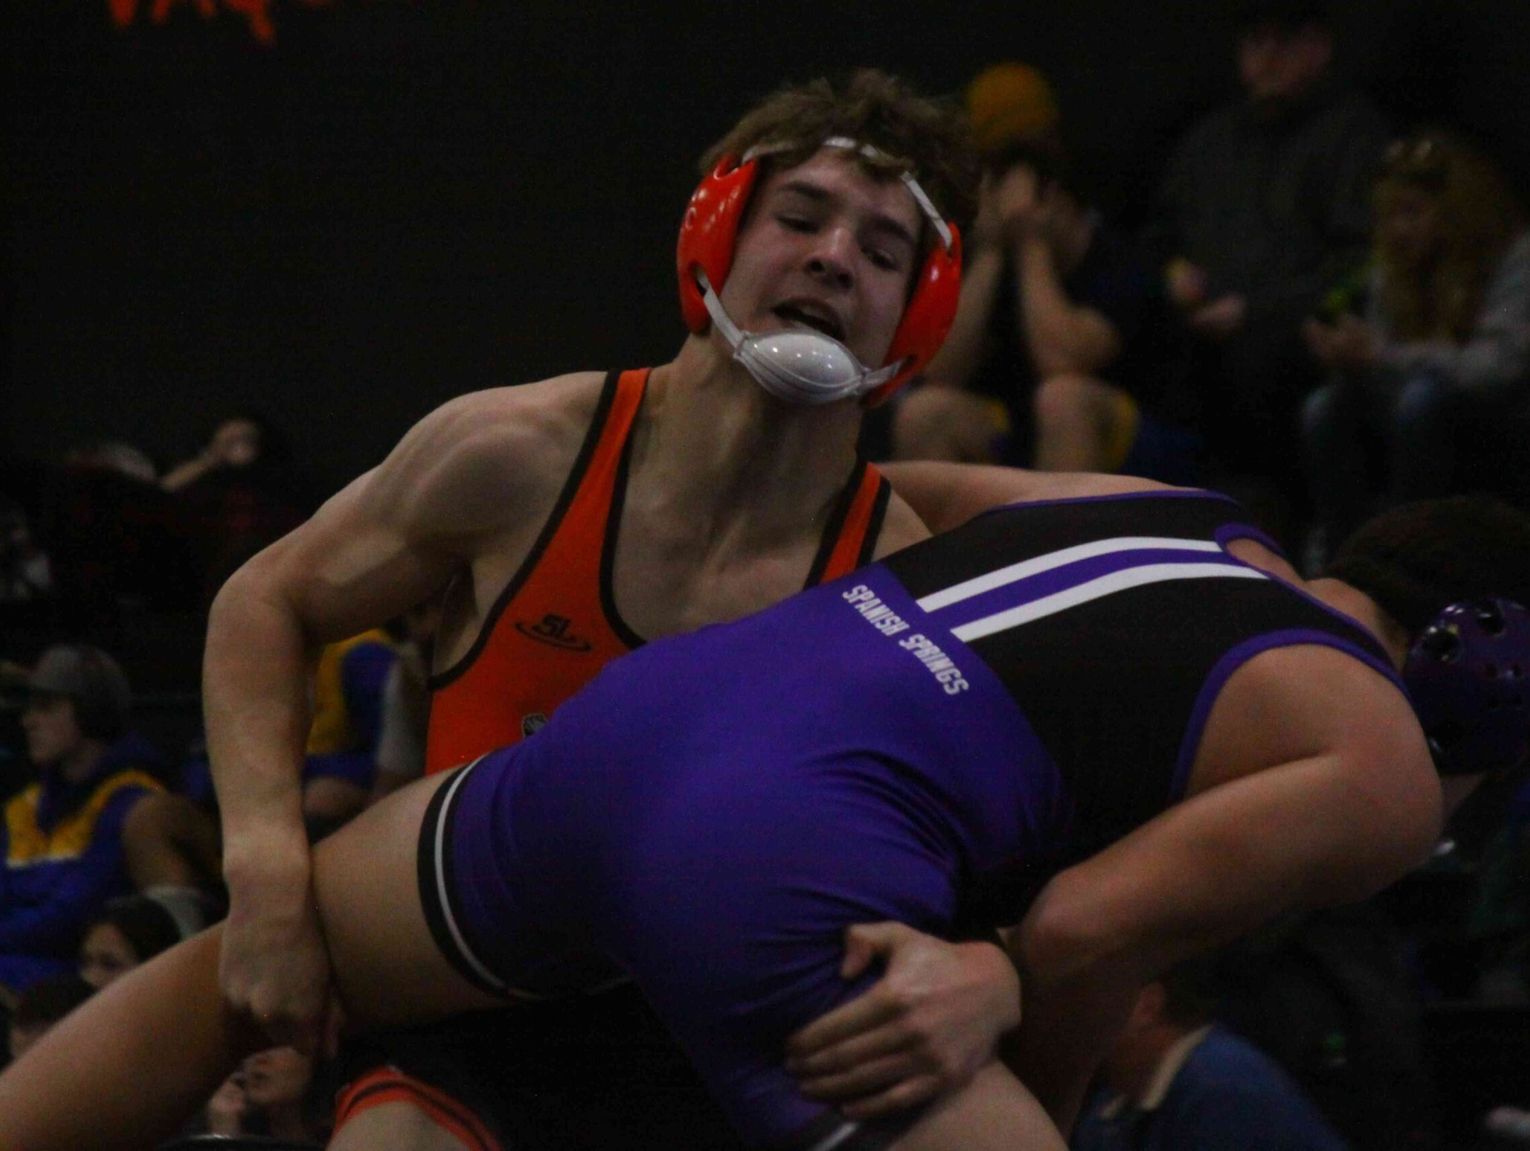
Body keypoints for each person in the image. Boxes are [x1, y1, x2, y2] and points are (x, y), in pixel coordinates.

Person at [3, 477, 1527, 1151]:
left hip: (647, 718)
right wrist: (1008, 1040)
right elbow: (1071, 936)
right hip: (793, 850)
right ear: (1477, 678)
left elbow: (907, 477)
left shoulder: (1179, 509)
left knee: (219, 991)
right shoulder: (1384, 758)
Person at [199, 70, 979, 1151]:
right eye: (799, 218)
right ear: (716, 228)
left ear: (918, 317)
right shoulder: (518, 455)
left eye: (884, 252)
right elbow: (263, 600)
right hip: (466, 1027)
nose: (834, 257)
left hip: (713, 1065)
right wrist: (267, 873)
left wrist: (990, 972)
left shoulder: (899, 585)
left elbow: (983, 861)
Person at [1143, 0, 1390, 510]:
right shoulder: (1208, 144)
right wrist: (1172, 274)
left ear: (1318, 48)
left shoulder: (1352, 136)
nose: (1269, 55)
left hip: (1298, 344)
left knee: (1266, 365)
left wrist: (1258, 311)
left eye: (1285, 40)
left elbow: (1363, 260)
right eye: (1256, 41)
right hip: (1197, 340)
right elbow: (1158, 235)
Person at [893, 137, 1189, 482]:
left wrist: (1031, 241)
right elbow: (939, 371)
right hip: (1030, 432)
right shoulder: (1001, 265)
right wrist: (990, 250)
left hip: (1143, 442)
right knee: (924, 412)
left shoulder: (1123, 262)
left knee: (1063, 399)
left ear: (1055, 197)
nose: (1005, 215)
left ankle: (1062, 537)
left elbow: (1063, 360)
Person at [1301, 129, 1530, 566]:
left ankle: (1412, 559)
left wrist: (1381, 357)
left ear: (1457, 211)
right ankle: (1346, 559)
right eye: (1387, 215)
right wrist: (1347, 358)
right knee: (1325, 406)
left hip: (1499, 417)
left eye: (1412, 212)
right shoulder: (1394, 265)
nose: (1396, 229)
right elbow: (1382, 355)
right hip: (1411, 411)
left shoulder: (1515, 256)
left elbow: (1499, 368)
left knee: (1422, 401)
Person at [0, 645, 166, 994]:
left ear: (91, 711)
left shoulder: (130, 801)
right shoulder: (21, 808)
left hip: (85, 984)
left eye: (46, 707)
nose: (28, 720)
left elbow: (73, 917)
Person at [1071, 957, 1349, 1151]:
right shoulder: (1112, 1107)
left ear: (1146, 1006)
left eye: (1090, 1001)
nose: (1072, 1020)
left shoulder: (1223, 1082)